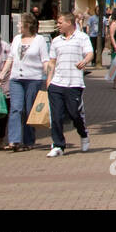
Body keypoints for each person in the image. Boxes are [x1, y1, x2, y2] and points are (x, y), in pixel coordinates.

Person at [0, 13, 51, 151]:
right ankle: (14, 140)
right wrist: (2, 75)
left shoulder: (39, 40)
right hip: (16, 78)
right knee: (16, 108)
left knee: (29, 110)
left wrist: (49, 76)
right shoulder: (16, 39)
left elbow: (45, 60)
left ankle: (28, 140)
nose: (17, 25)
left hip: (33, 79)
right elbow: (10, 58)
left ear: (27, 25)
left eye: (19, 23)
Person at [45, 12, 94, 157]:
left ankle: (83, 134)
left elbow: (90, 53)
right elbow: (52, 61)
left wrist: (84, 62)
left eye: (60, 22)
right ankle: (58, 145)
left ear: (69, 23)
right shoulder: (56, 41)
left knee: (74, 113)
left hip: (74, 83)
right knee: (56, 116)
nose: (58, 25)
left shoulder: (82, 38)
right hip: (57, 83)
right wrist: (49, 79)